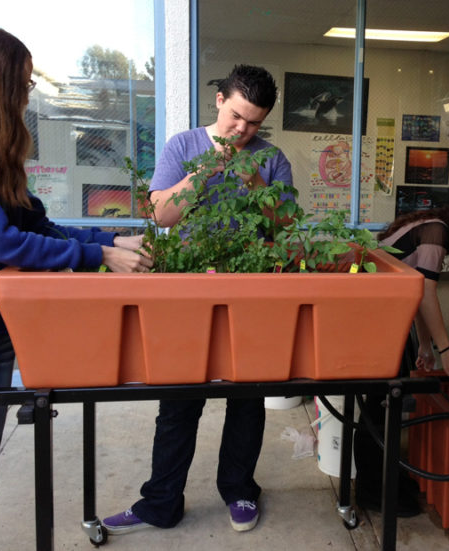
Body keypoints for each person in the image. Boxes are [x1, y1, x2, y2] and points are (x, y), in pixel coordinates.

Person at [0, 23, 152, 551]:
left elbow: (35, 227)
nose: (27, 95)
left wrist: (114, 238)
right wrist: (99, 256)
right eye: (21, 84)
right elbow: (2, 242)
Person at [102, 65, 292, 535]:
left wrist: (252, 182)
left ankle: (240, 489)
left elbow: (284, 223)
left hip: (252, 293)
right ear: (219, 101)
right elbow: (162, 214)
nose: (243, 130)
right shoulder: (182, 147)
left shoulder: (271, 158)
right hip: (186, 293)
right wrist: (207, 168)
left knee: (247, 398)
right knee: (179, 399)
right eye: (236, 117)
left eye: (254, 123)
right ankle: (161, 501)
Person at [354, 198, 449, 515]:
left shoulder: (433, 228)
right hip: (371, 324)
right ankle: (371, 491)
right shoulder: (436, 232)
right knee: (377, 409)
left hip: (379, 320)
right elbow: (425, 293)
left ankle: (386, 478)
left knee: (384, 407)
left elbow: (415, 293)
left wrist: (424, 345)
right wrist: (446, 350)